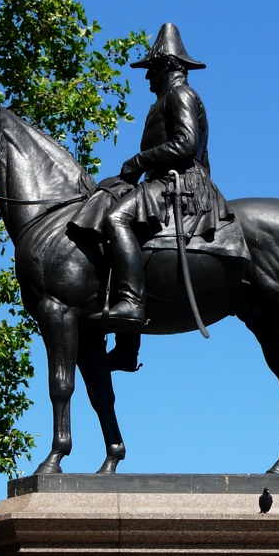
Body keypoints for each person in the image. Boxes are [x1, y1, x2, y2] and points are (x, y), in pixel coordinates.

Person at [95, 22, 231, 328]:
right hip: (163, 181)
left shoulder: (180, 94)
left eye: (151, 69)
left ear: (167, 66)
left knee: (116, 219)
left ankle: (132, 302)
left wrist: (138, 161)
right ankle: (127, 342)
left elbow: (186, 144)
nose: (147, 77)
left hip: (179, 181)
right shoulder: (165, 99)